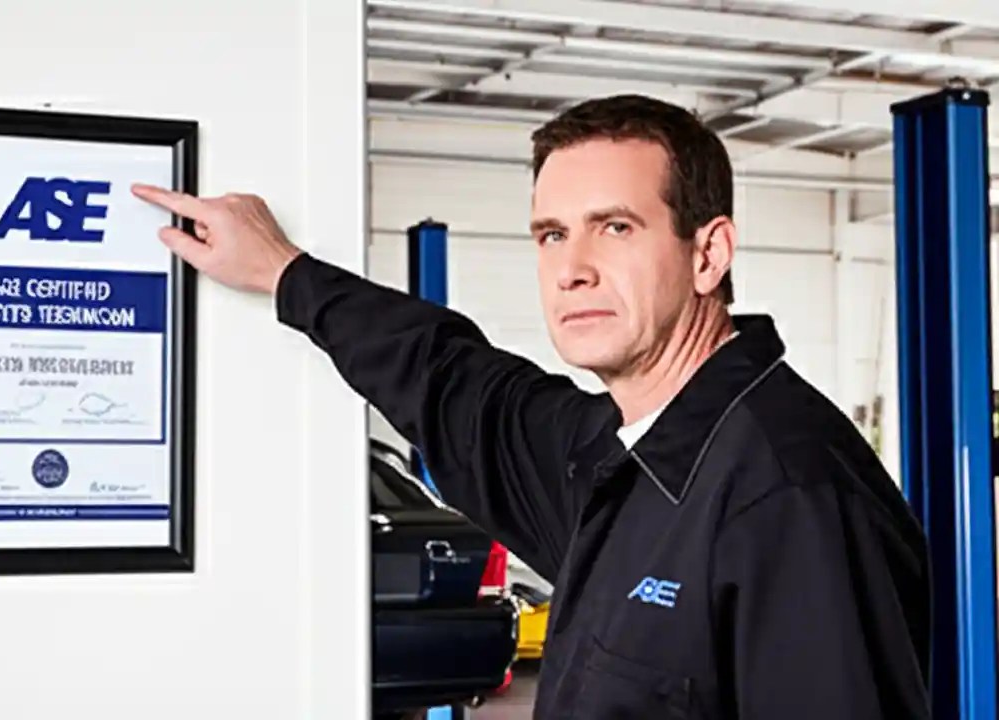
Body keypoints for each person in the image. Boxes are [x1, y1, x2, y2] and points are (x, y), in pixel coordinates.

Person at [131, 94, 930, 719]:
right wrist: (286, 273)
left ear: (708, 253)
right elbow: (452, 378)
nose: (571, 268)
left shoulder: (790, 499)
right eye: (550, 235)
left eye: (614, 227)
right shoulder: (620, 455)